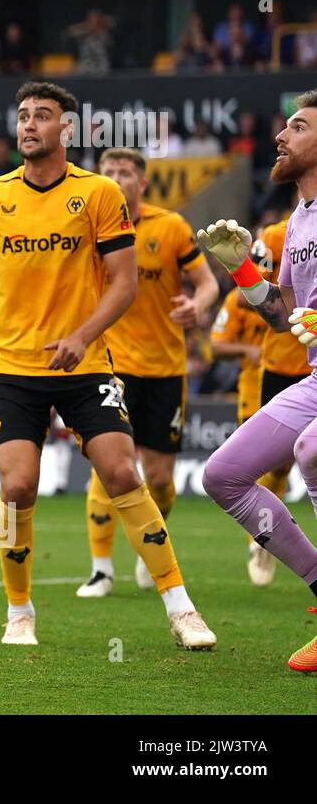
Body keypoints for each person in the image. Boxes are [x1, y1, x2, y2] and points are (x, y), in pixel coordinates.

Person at [0, 80, 215, 649]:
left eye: (42, 117)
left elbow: (123, 286)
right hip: (13, 369)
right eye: (23, 115)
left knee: (124, 473)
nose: (29, 125)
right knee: (17, 487)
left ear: (66, 130)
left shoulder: (99, 195)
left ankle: (181, 607)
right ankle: (19, 610)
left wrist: (82, 335)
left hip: (86, 365)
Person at [197, 89, 317, 672]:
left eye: (296, 126)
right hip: (316, 377)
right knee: (222, 476)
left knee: (312, 450)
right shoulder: (295, 222)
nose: (281, 136)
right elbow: (285, 313)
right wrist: (241, 268)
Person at [74, 148, 218, 597]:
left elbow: (209, 282)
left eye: (125, 173)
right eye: (108, 172)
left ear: (143, 183)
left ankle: (148, 547)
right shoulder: (86, 227)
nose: (116, 178)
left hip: (166, 368)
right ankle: (100, 569)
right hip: (109, 364)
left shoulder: (170, 227)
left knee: (158, 478)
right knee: (107, 466)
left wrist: (198, 305)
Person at [209, 238, 293, 586]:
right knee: (267, 464)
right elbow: (245, 303)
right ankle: (262, 539)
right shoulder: (277, 235)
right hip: (267, 378)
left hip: (306, 369)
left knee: (292, 461)